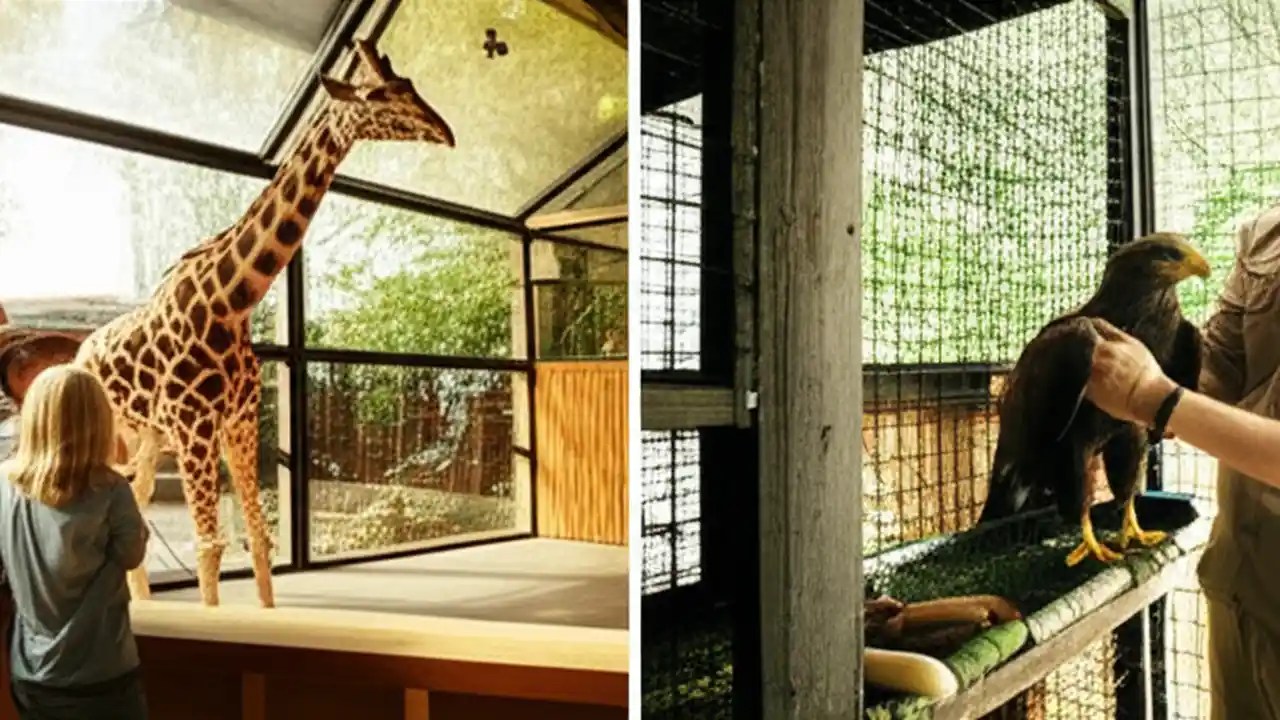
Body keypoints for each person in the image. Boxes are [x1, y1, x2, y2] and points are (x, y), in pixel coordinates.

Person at [1084, 207, 1280, 720]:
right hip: (1244, 581)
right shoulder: (1265, 237)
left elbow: (1170, 398)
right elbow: (1216, 375)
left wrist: (1153, 396)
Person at [0, 365, 148, 720]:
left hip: (31, 671)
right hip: (101, 669)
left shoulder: (4, 484)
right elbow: (130, 554)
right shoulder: (111, 489)